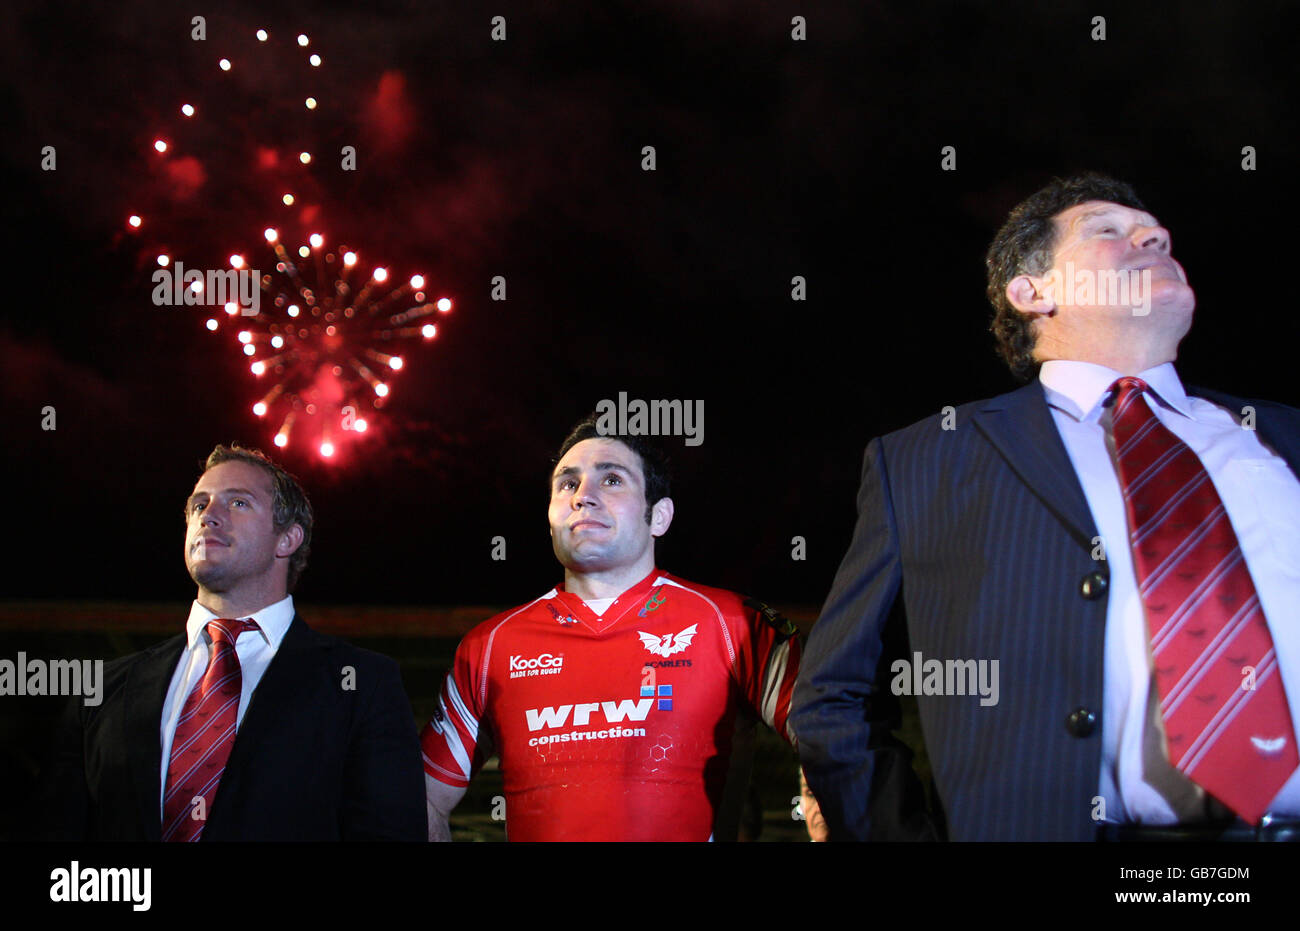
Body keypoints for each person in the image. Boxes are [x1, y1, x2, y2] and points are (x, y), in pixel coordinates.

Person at [791, 173, 1300, 841]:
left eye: (1157, 235)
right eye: (1109, 231)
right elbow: (835, 696)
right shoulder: (929, 458)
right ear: (1033, 292)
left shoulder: (1284, 434)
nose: (1154, 238)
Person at [420, 417, 802, 841]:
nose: (582, 496)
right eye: (567, 484)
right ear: (550, 517)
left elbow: (836, 741)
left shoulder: (734, 624)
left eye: (612, 480)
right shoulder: (490, 646)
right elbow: (424, 799)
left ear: (659, 516)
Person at [42, 444, 426, 840]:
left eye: (238, 503)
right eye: (199, 505)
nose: (208, 515)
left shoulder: (363, 685)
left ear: (287, 539)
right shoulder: (103, 691)